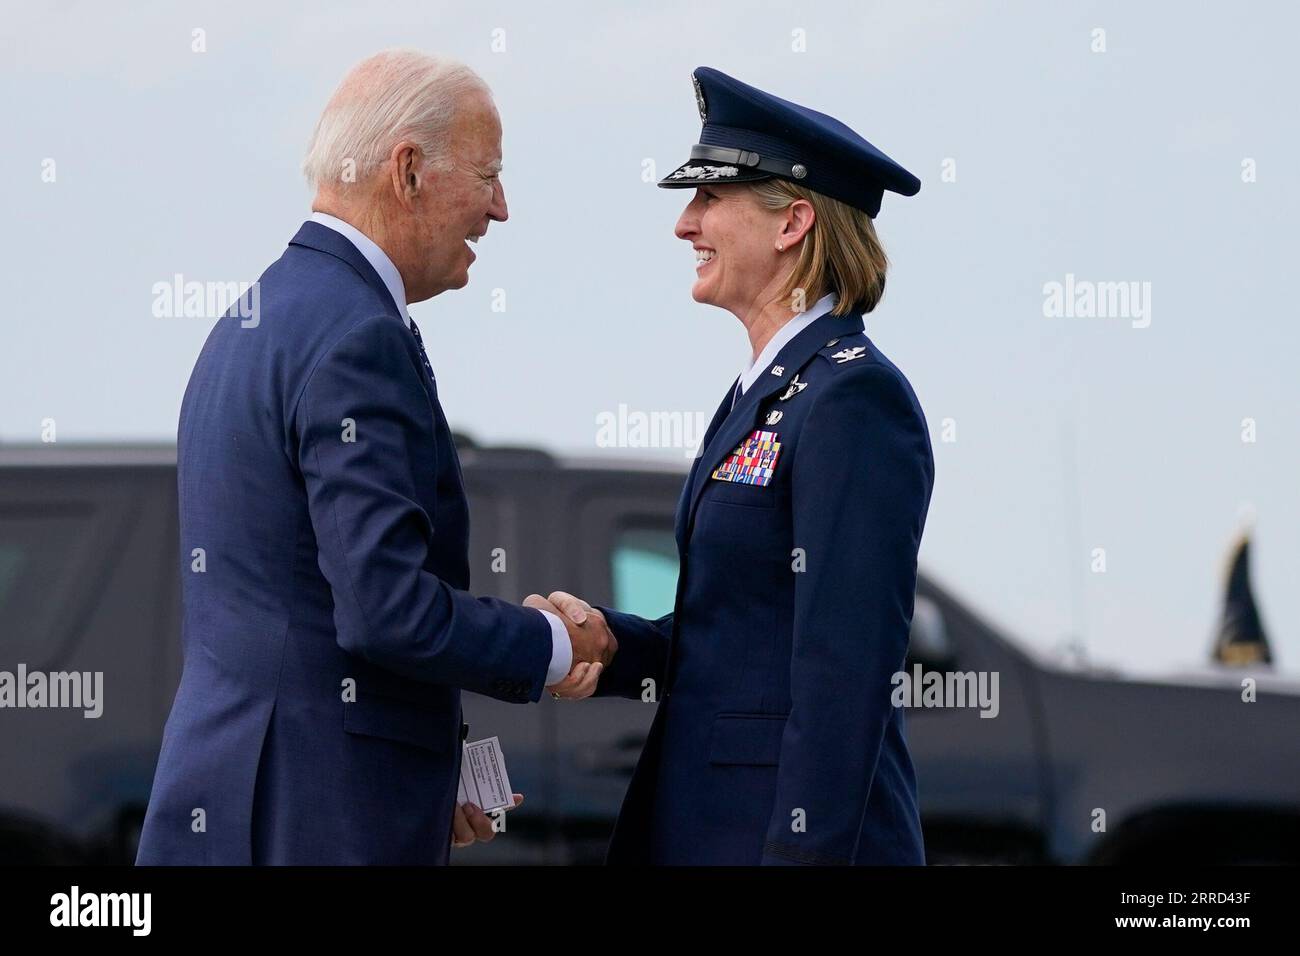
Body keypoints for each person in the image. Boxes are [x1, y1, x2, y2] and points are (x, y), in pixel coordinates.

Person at [136, 49, 613, 866]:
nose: (500, 208)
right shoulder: (360, 334)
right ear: (409, 170)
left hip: (237, 795)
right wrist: (554, 644)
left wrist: (426, 764)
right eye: (489, 174)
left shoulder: (254, 316)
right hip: (315, 818)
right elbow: (386, 610)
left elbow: (300, 604)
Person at [529, 66, 933, 865]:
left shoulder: (854, 400)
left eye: (710, 198)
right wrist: (616, 645)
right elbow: (743, 635)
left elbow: (842, 676)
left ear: (793, 224)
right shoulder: (767, 391)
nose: (686, 224)